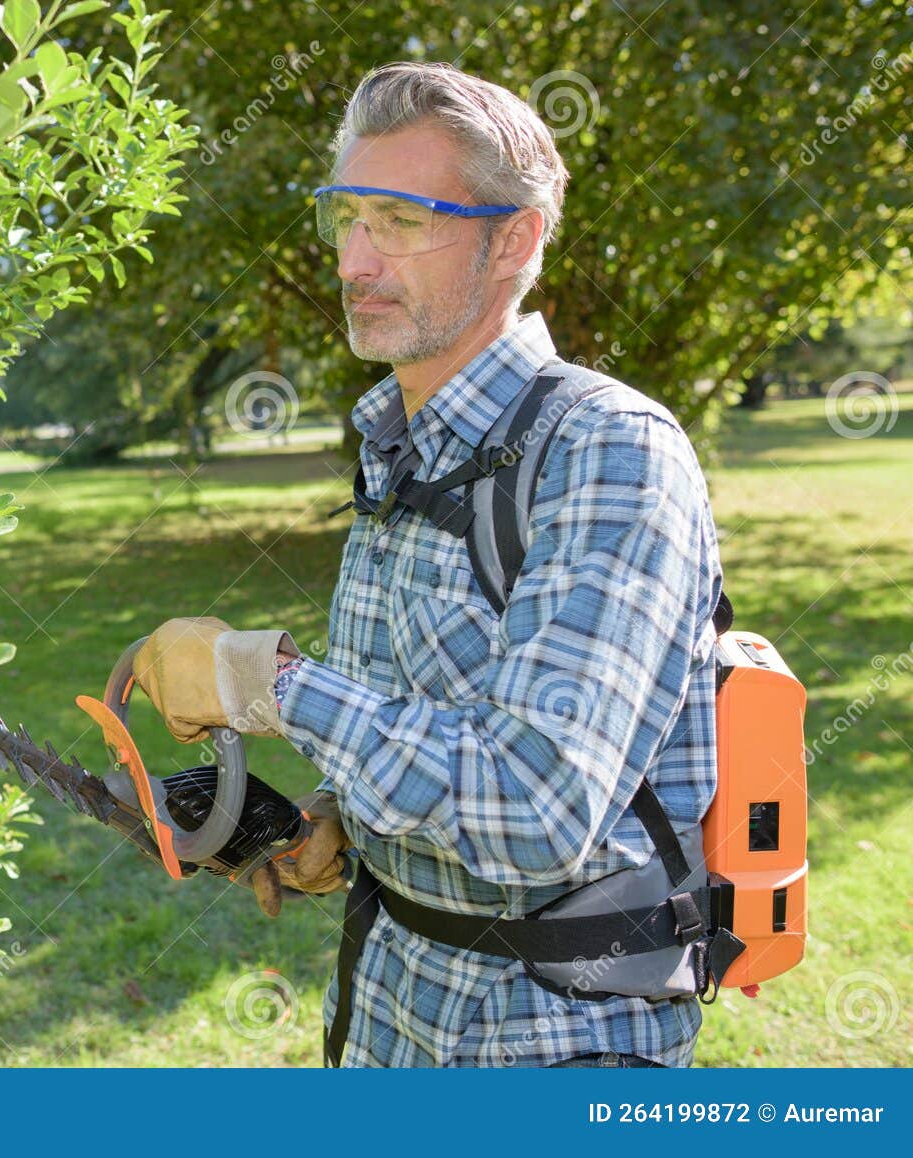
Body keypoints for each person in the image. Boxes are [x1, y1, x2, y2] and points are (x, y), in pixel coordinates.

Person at [132, 61, 723, 1068]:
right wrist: (339, 823)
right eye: (346, 218)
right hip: (387, 1009)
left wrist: (258, 682)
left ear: (515, 239)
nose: (355, 262)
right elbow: (430, 710)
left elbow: (535, 806)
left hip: (547, 1041)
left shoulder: (609, 450)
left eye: (401, 222)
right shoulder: (401, 445)